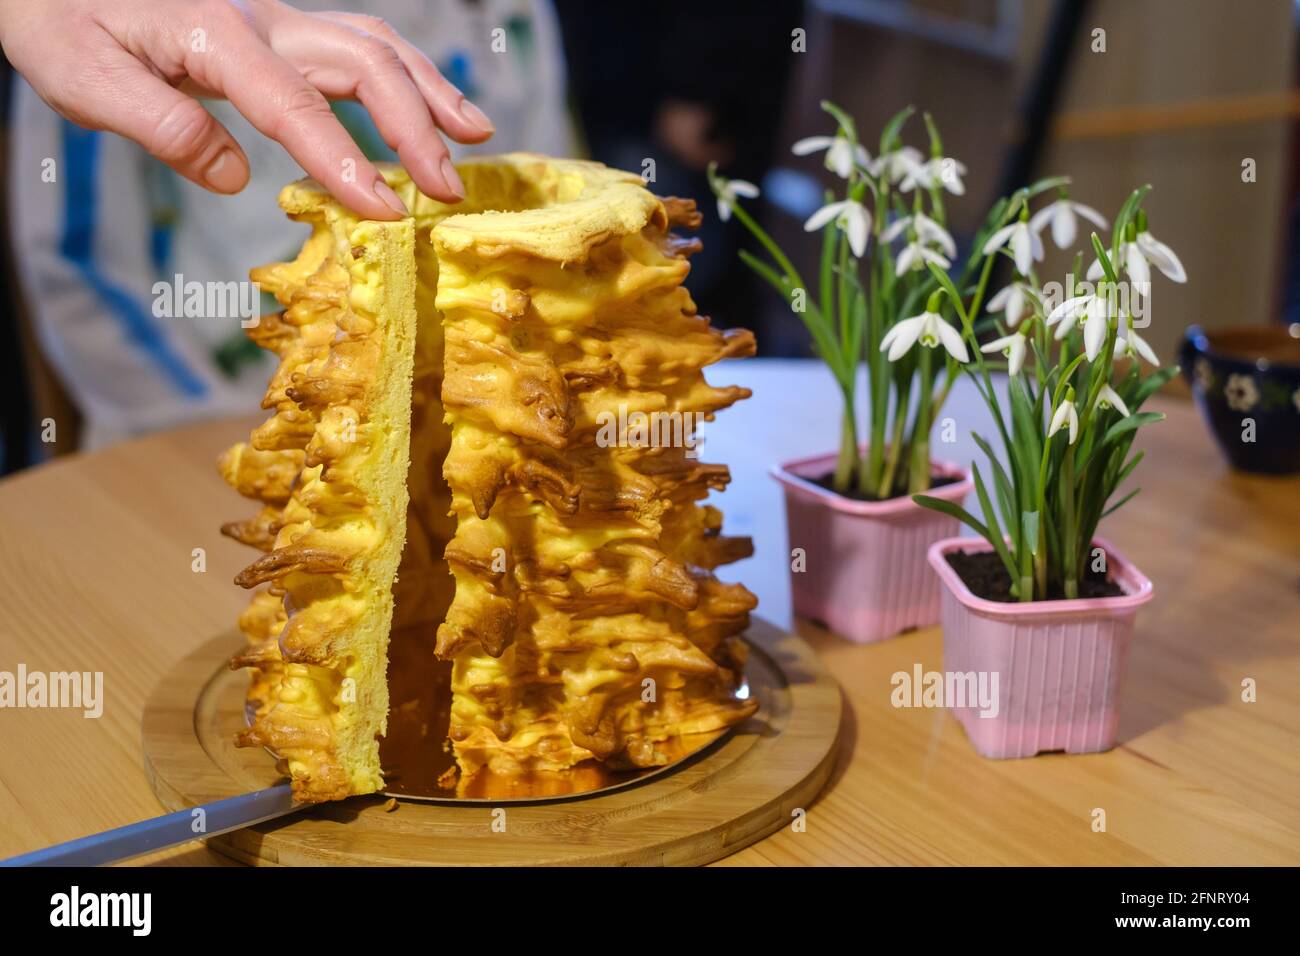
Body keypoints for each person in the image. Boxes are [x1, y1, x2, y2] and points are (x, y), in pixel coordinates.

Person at [1, 0, 573, 448]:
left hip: (470, 416)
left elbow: (550, 221)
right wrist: (211, 430)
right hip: (206, 422)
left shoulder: (500, 15)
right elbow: (83, 279)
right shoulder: (116, 27)